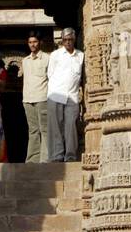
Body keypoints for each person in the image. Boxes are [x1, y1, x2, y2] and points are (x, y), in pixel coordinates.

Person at [46, 28, 84, 162]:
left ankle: (70, 156)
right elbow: (50, 74)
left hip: (72, 96)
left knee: (70, 126)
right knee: (55, 127)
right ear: (62, 41)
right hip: (56, 93)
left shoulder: (80, 55)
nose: (68, 42)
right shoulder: (55, 55)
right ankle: (57, 156)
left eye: (70, 39)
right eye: (65, 40)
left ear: (74, 40)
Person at [19, 32, 50, 162]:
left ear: (40, 43)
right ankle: (32, 159)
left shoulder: (47, 58)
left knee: (45, 130)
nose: (33, 44)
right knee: (33, 130)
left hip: (42, 98)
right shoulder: (25, 61)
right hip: (27, 99)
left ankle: (45, 159)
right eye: (30, 42)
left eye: (35, 42)